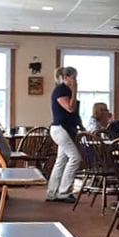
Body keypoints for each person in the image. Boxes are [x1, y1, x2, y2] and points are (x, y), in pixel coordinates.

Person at [47, 66, 82, 203]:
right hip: (60, 129)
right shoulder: (61, 90)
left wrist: (81, 126)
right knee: (75, 158)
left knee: (61, 160)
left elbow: (75, 114)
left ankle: (52, 192)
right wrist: (75, 90)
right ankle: (64, 192)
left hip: (65, 129)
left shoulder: (66, 91)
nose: (75, 80)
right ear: (66, 77)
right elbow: (70, 108)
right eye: (74, 77)